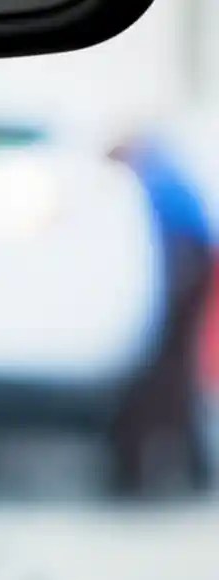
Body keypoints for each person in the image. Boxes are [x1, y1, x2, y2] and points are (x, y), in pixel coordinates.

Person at [109, 134, 216, 497]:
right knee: (175, 376)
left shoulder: (155, 180)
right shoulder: (163, 173)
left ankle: (175, 469)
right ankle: (189, 469)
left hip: (184, 273)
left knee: (169, 377)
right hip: (184, 274)